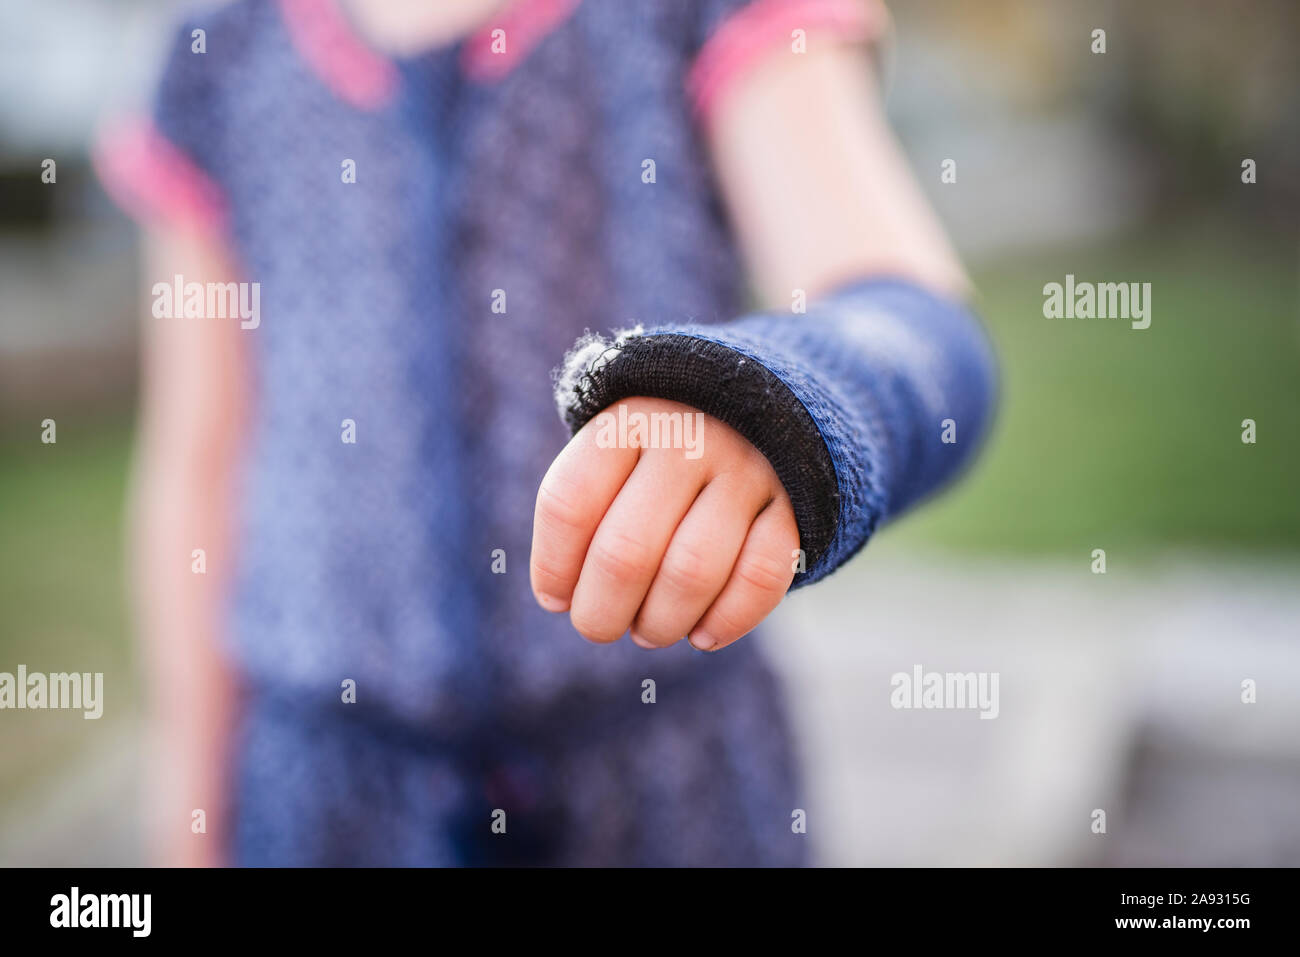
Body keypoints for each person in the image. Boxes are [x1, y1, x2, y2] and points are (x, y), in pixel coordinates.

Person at [95, 0, 996, 866]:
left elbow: (923, 340)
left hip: (665, 778)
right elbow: (199, 457)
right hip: (322, 791)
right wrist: (192, 790)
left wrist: (782, 399)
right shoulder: (218, 52)